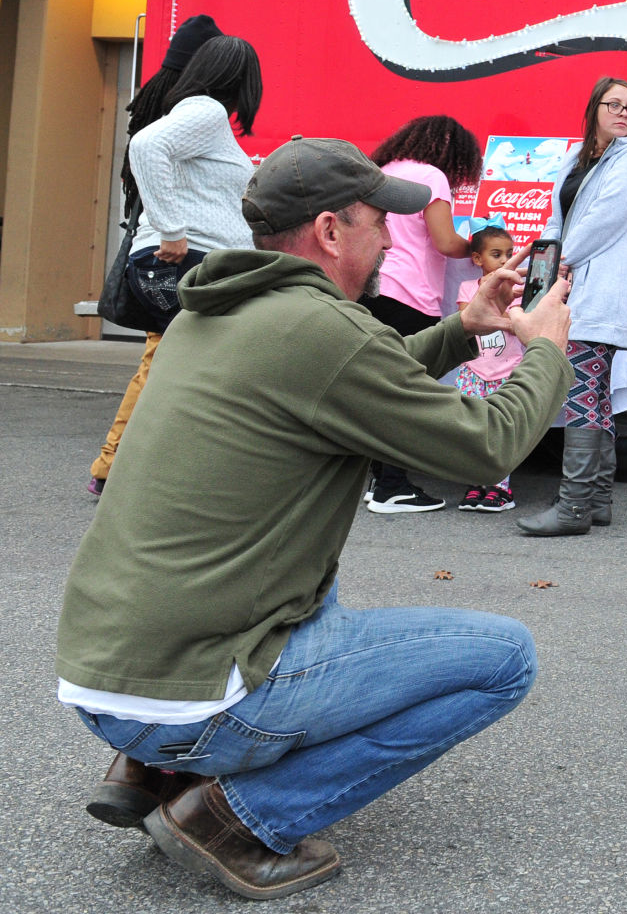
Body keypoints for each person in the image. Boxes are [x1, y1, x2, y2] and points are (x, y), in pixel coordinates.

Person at [57, 137, 575, 901]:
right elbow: (487, 445)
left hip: (104, 673)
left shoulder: (217, 310)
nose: (391, 238)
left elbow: (354, 376)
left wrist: (463, 327)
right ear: (331, 231)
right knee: (504, 659)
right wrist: (548, 354)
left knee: (310, 581)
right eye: (379, 221)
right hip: (187, 696)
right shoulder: (324, 332)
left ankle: (153, 772)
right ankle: (237, 819)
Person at [88, 25, 263, 498]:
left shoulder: (197, 115)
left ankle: (121, 467)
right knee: (194, 366)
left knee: (175, 363)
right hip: (191, 263)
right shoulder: (207, 111)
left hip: (195, 262)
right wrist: (171, 231)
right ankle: (133, 468)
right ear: (243, 80)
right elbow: (146, 147)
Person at [517, 75, 627, 537]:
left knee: (582, 390)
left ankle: (573, 507)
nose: (623, 113)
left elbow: (605, 219)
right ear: (593, 108)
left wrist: (563, 260)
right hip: (578, 284)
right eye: (614, 104)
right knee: (594, 392)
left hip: (606, 290)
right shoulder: (575, 159)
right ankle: (595, 501)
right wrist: (541, 264)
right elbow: (557, 220)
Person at [361, 115, 481, 513]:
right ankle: (393, 488)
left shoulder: (383, 169)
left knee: (378, 389)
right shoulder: (432, 177)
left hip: (371, 287)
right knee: (406, 394)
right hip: (411, 297)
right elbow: (445, 242)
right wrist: (483, 249)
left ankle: (378, 480)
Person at [454, 223, 524, 512]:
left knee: (501, 431)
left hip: (507, 371)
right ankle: (475, 483)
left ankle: (500, 488)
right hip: (474, 371)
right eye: (496, 254)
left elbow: (520, 325)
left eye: (509, 253)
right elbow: (467, 323)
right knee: (472, 430)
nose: (505, 260)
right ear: (477, 259)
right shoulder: (467, 288)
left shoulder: (517, 290)